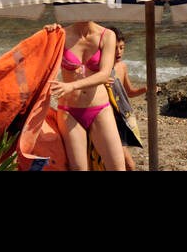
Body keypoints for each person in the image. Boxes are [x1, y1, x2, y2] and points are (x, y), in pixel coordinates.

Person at [47, 20, 125, 171]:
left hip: (100, 109)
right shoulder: (60, 35)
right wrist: (47, 34)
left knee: (117, 167)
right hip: (69, 112)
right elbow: (39, 59)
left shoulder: (107, 35)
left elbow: (104, 75)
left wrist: (71, 85)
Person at [110, 27, 146, 171]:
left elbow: (129, 92)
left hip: (122, 118)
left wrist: (145, 89)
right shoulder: (100, 70)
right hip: (109, 120)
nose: (119, 52)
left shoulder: (123, 67)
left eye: (121, 47)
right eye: (114, 48)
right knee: (129, 165)